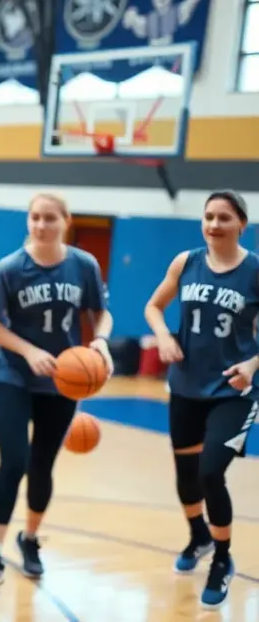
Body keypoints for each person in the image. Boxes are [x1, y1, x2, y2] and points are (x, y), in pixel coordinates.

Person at [0, 192, 114, 606]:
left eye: (49, 218)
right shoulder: (11, 267)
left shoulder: (82, 265)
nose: (40, 225)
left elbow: (100, 312)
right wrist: (28, 351)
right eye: (34, 218)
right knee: (13, 462)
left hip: (63, 381)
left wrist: (100, 341)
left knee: (42, 465)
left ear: (65, 221)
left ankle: (29, 538)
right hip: (15, 376)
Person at [143, 190, 258, 610]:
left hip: (233, 389)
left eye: (223, 218)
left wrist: (253, 364)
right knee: (186, 474)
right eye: (208, 216)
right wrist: (163, 336)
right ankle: (198, 536)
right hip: (187, 386)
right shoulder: (186, 262)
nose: (213, 224)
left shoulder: (255, 271)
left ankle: (223, 560)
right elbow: (154, 306)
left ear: (241, 224)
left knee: (211, 473)